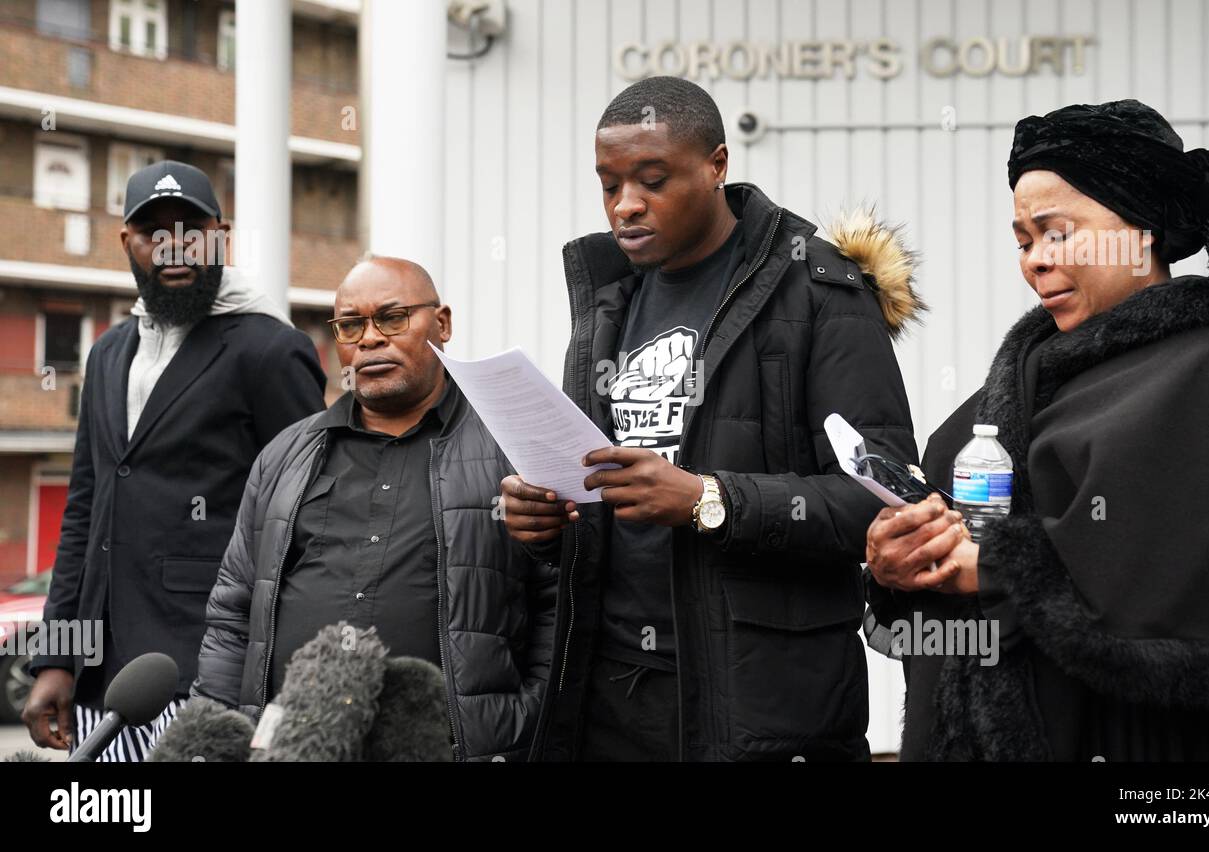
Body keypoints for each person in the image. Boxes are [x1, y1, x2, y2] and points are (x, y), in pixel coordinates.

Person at [865, 100, 1209, 761]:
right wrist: (898, 564)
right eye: (1022, 240)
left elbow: (1185, 582)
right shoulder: (1020, 380)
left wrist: (997, 568)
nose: (1034, 261)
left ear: (1143, 230)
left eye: (1058, 233)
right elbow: (943, 598)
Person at [502, 76, 921, 761]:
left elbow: (884, 500)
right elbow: (609, 489)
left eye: (652, 179)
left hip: (758, 707)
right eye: (609, 184)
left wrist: (708, 500)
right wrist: (546, 519)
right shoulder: (609, 302)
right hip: (610, 695)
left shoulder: (820, 291)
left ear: (718, 166)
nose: (625, 206)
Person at [191, 256, 557, 761]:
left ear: (442, 323)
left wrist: (524, 723)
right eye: (350, 324)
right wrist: (215, 738)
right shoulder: (284, 457)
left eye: (392, 317)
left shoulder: (515, 449)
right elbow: (233, 613)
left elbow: (560, 604)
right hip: (289, 746)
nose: (369, 339)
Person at [23, 160, 326, 761]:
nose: (174, 246)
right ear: (126, 244)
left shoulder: (269, 349)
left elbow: (311, 521)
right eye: (152, 231)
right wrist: (57, 658)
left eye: (192, 227)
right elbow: (85, 515)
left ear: (223, 234)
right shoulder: (108, 353)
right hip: (107, 686)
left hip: (212, 679)